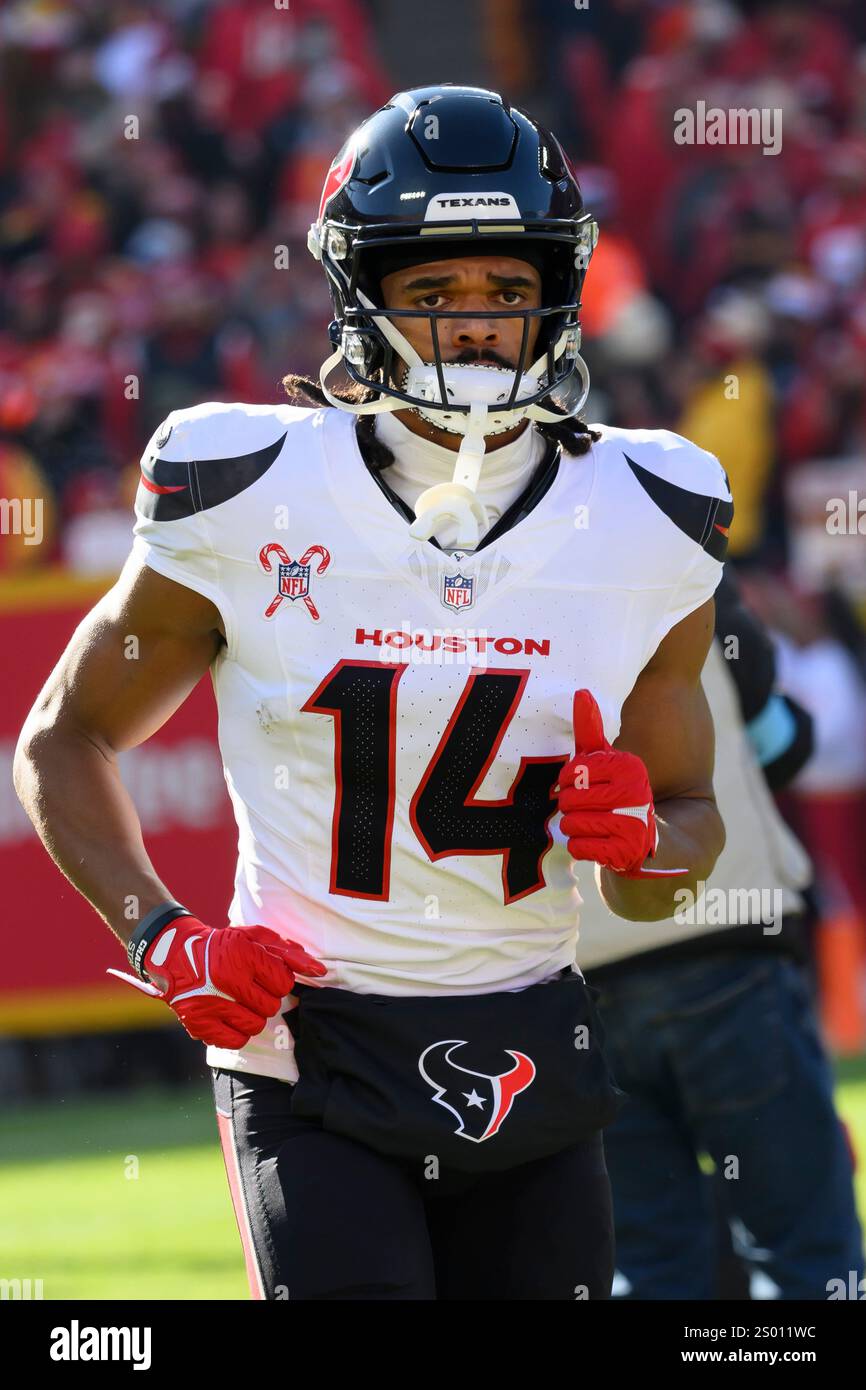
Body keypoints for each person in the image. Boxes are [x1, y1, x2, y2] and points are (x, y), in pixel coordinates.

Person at [14, 84, 733, 1301]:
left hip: (532, 1042)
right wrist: (162, 932)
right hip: (311, 1044)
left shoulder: (648, 512)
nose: (474, 325)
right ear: (363, 292)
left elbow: (685, 831)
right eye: (434, 289)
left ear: (553, 293)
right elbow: (64, 735)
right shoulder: (240, 487)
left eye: (505, 290)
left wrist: (644, 842)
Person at [580, 571, 865, 1299]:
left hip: (578, 973)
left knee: (648, 1266)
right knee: (803, 1253)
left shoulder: (462, 576)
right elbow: (783, 745)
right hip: (729, 940)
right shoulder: (676, 547)